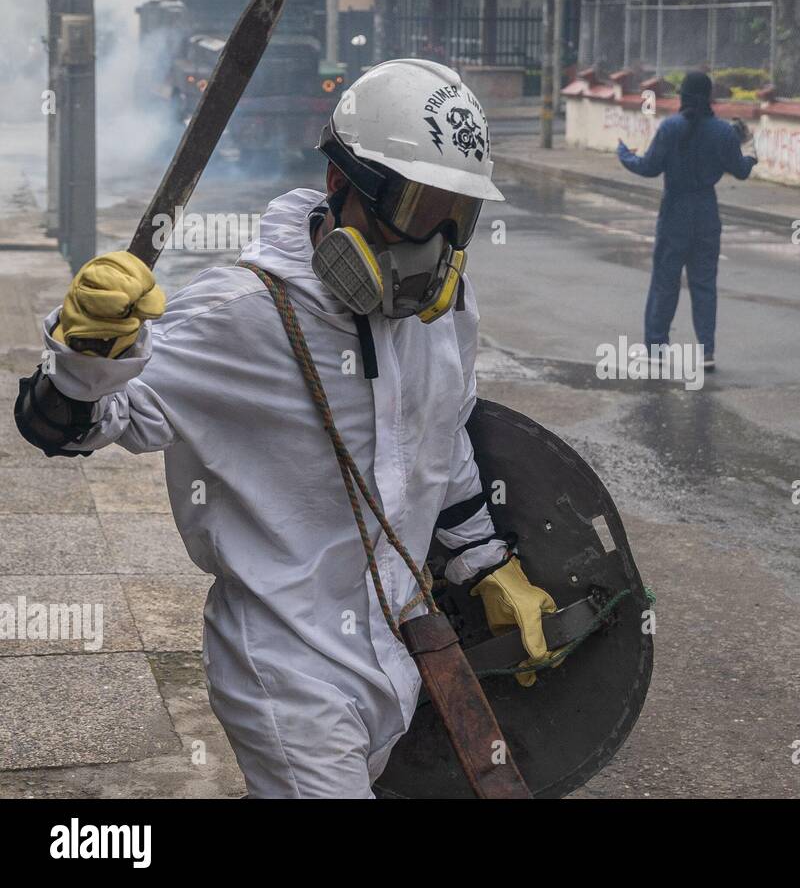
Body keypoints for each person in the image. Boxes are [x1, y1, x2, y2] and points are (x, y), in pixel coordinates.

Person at [13, 60, 558, 797]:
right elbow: (65, 426)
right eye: (422, 209)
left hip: (399, 654)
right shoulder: (238, 314)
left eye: (457, 216)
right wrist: (85, 355)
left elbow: (445, 442)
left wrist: (487, 564)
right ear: (344, 187)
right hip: (286, 671)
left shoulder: (446, 318)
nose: (437, 243)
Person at [617, 71, 757, 373]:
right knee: (704, 283)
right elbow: (742, 170)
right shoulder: (723, 132)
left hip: (675, 209)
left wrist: (624, 155)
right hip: (707, 211)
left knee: (664, 282)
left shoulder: (671, 128)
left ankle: (656, 348)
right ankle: (706, 351)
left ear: (682, 97)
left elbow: (649, 167)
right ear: (710, 97)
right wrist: (750, 148)